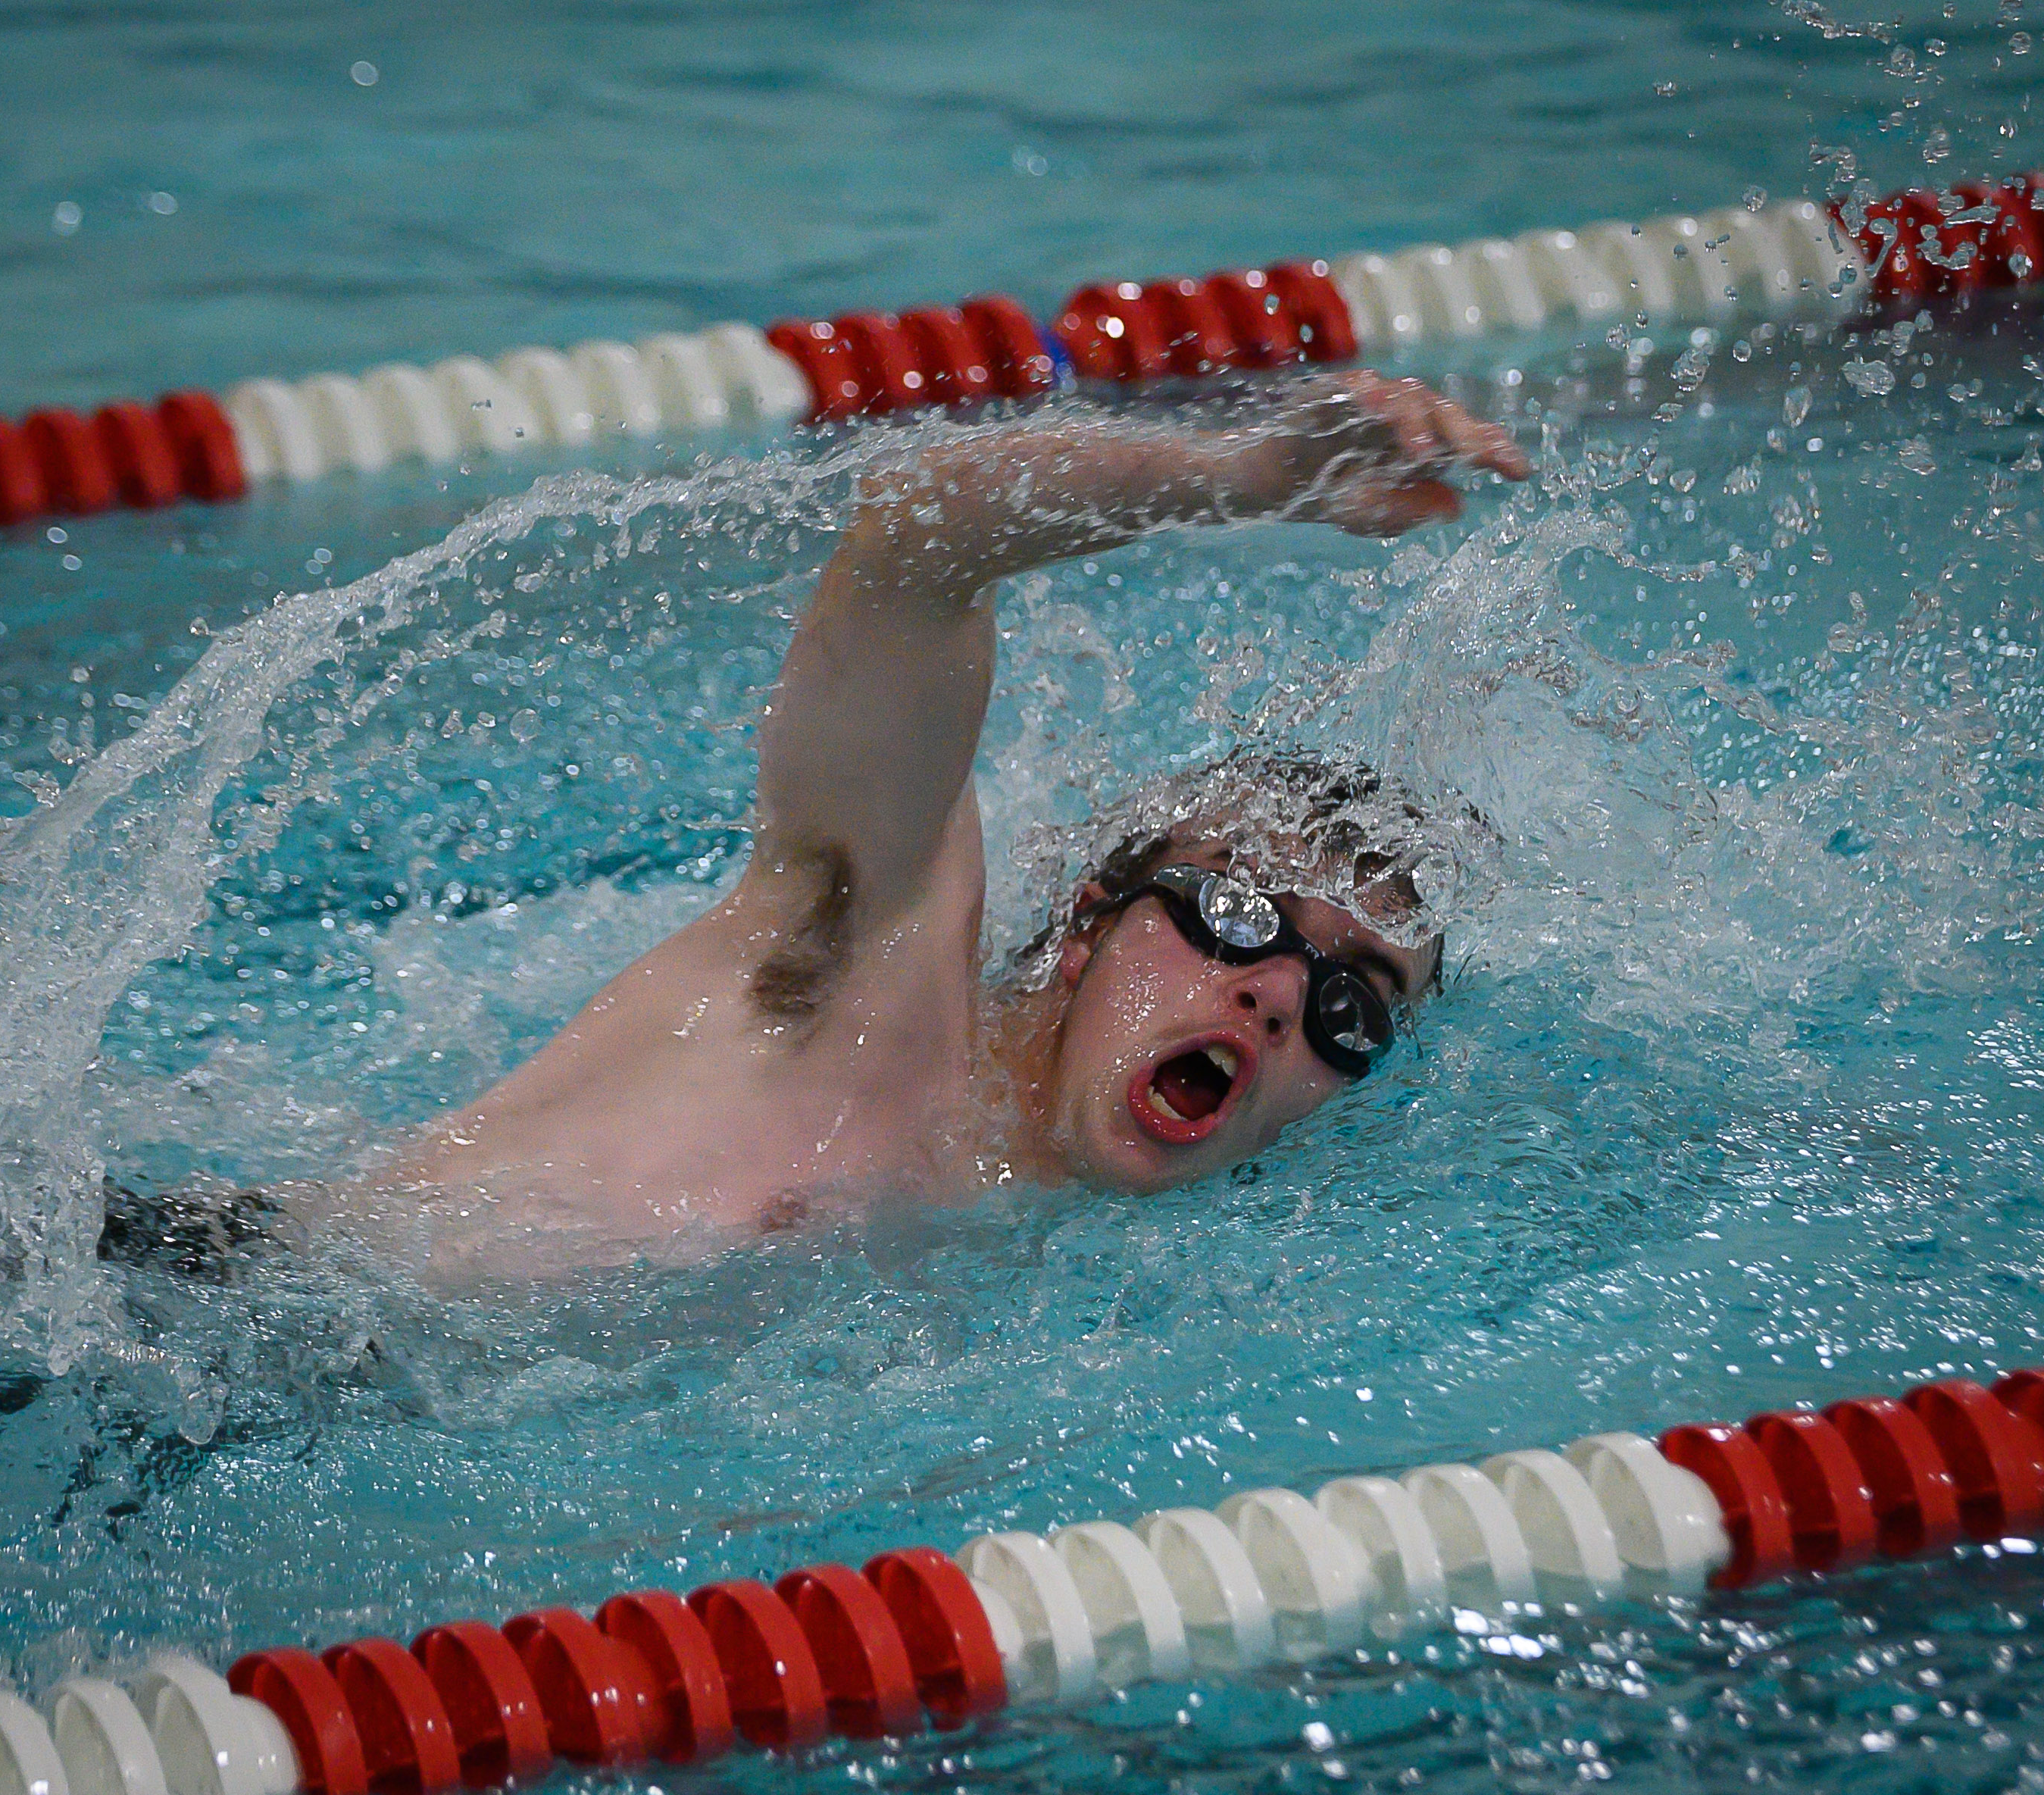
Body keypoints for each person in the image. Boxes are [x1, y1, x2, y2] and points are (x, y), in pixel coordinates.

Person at [314, 373, 1529, 1284]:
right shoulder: (864, 971)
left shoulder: (1038, 1268)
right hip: (206, 1304)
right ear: (1083, 921)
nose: (1276, 993)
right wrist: (1240, 479)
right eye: (1234, 910)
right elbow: (915, 541)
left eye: (1351, 1002)